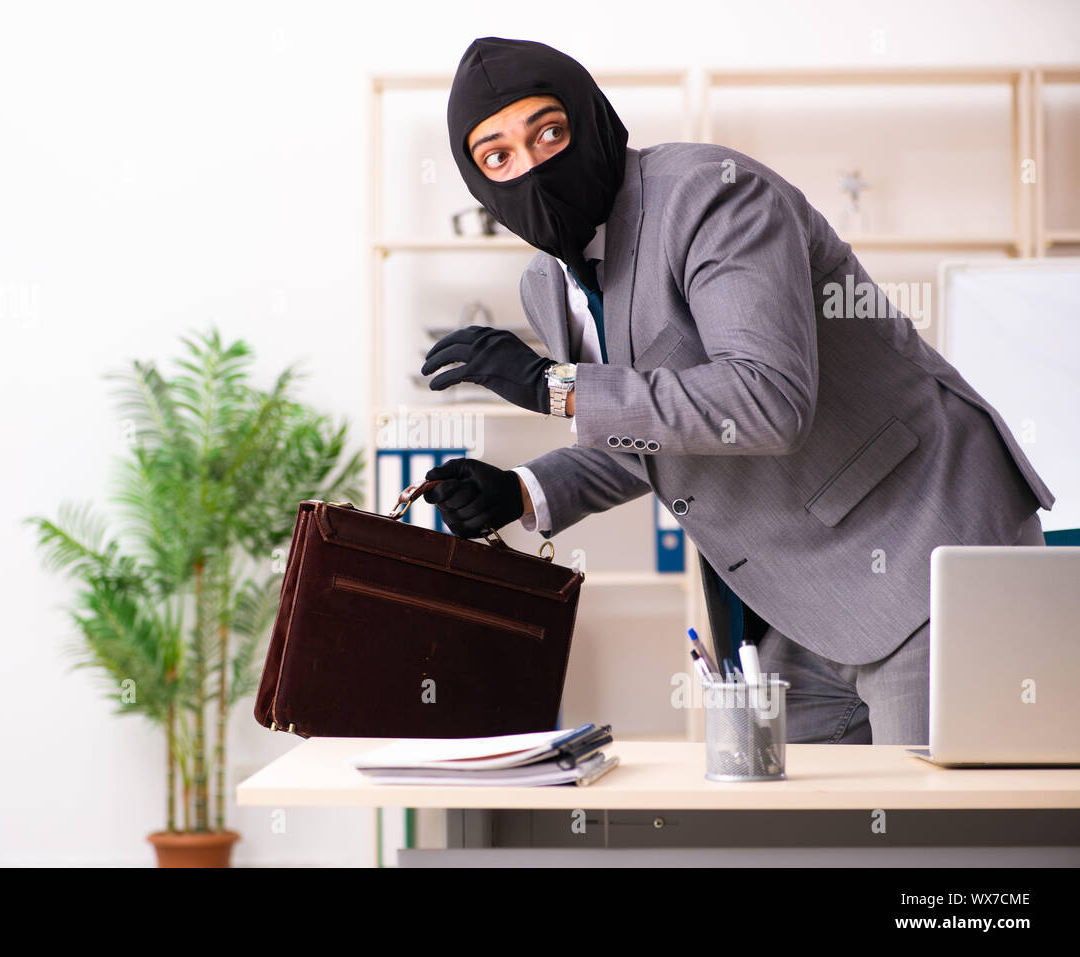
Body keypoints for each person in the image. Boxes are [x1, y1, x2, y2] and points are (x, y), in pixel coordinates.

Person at [419, 36, 1054, 746]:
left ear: (593, 120)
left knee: (943, 846)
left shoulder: (710, 194)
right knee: (801, 841)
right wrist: (524, 490)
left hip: (921, 560)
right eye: (498, 156)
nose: (533, 168)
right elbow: (660, 427)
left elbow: (764, 399)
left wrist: (552, 387)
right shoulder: (546, 285)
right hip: (788, 608)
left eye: (550, 132)